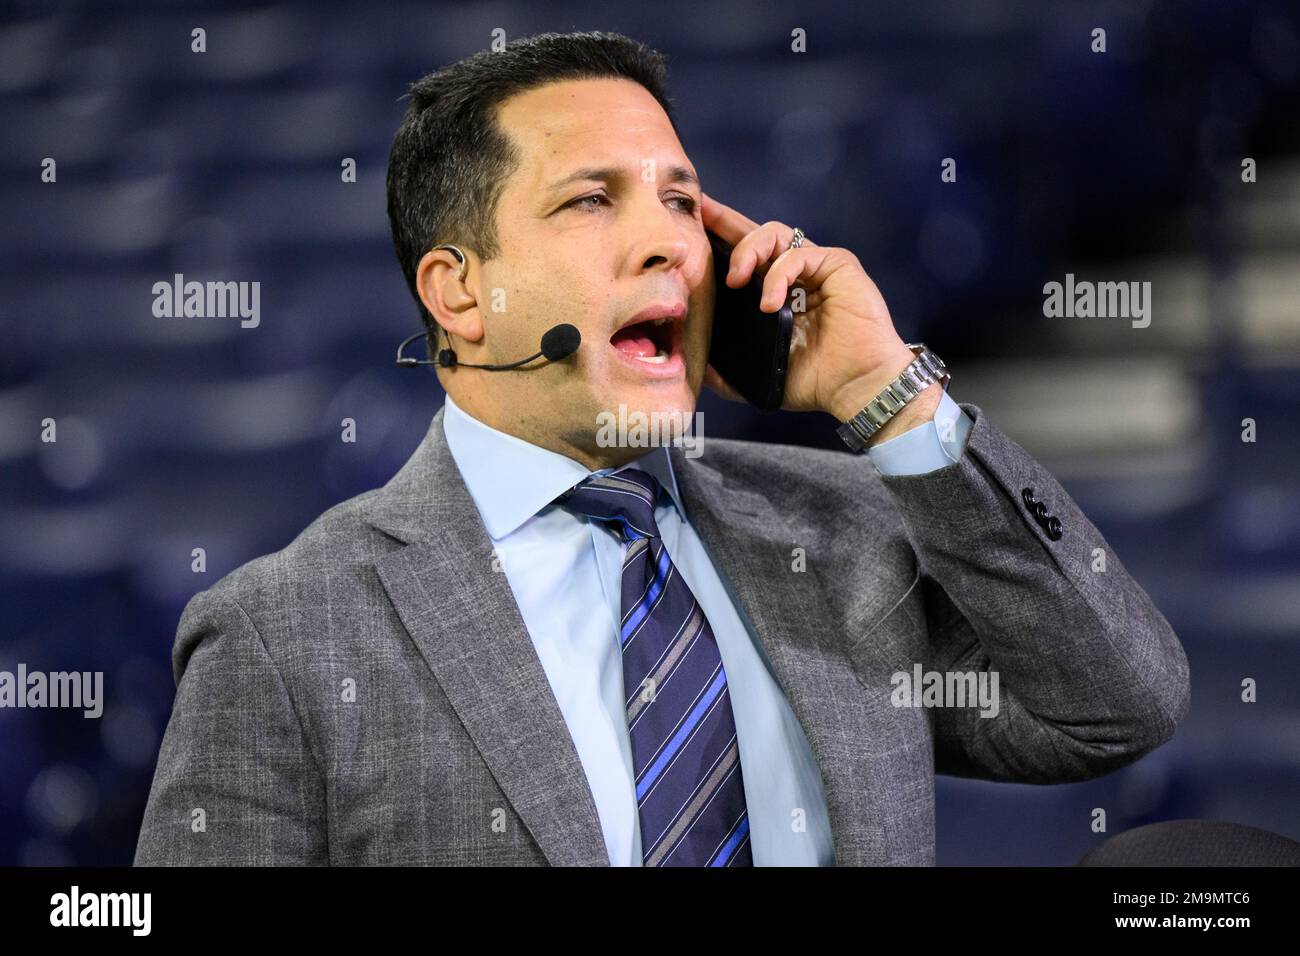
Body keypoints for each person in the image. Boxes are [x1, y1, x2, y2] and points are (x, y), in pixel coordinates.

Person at [134, 31, 1190, 867]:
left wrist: (889, 396)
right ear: (459, 293)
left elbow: (1116, 705)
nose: (673, 243)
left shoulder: (839, 529)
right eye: (592, 199)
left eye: (683, 200)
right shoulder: (284, 634)